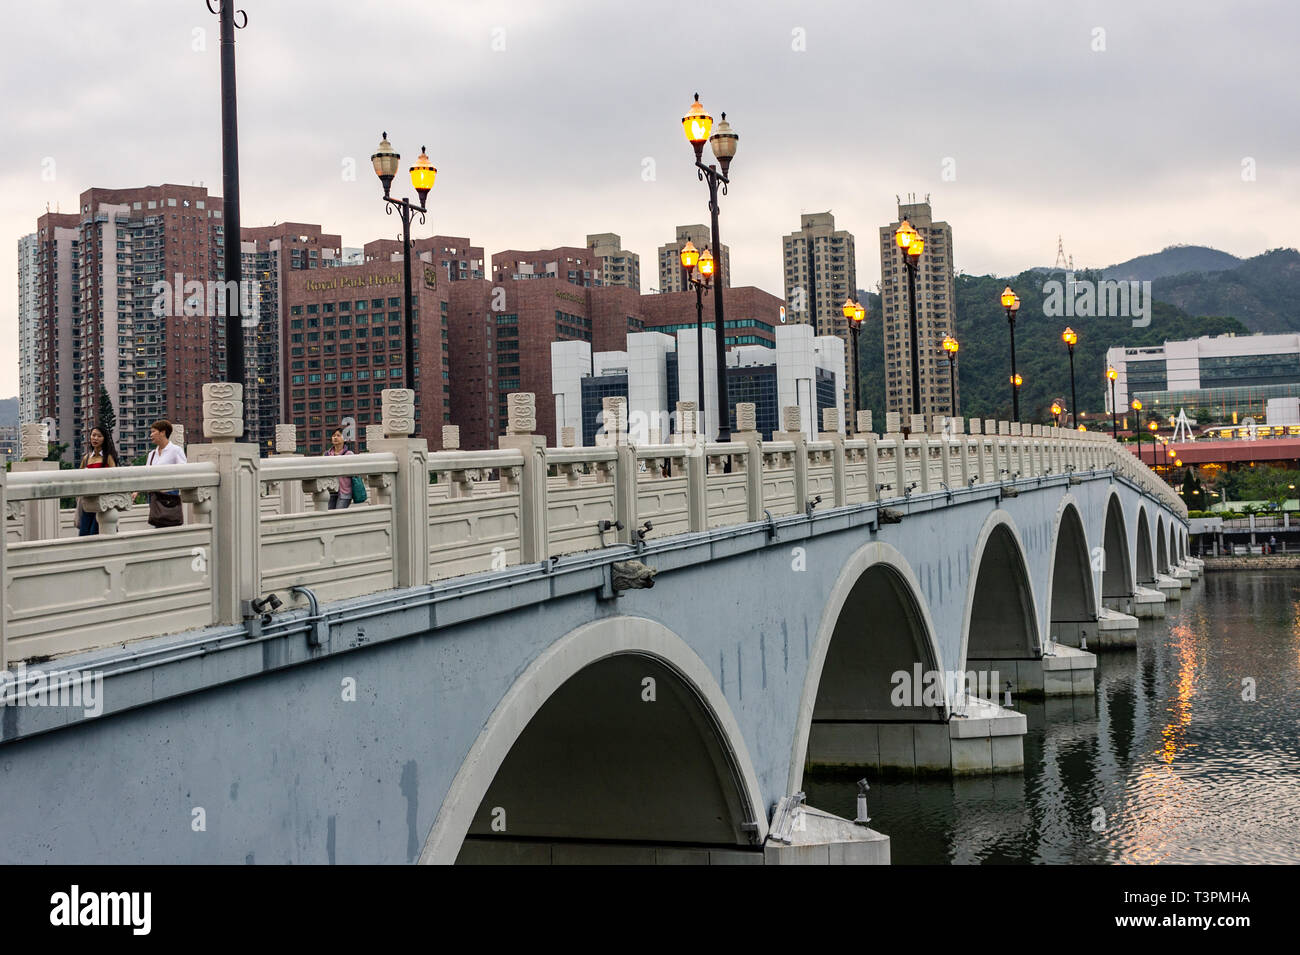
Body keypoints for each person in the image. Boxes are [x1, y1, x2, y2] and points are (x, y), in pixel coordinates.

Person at [76, 425, 119, 536]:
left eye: (99, 436)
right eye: (93, 435)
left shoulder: (108, 457)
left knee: (96, 532)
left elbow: (114, 477)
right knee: (84, 533)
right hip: (88, 501)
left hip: (102, 502)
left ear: (104, 439)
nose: (95, 438)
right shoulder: (86, 458)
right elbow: (78, 477)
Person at [146, 419, 187, 528]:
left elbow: (183, 470)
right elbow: (146, 474)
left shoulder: (175, 450)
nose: (151, 435)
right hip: (154, 495)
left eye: (153, 431)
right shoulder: (152, 454)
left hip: (170, 495)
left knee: (170, 524)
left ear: (163, 432)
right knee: (157, 524)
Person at [325, 428, 354, 509]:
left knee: (339, 515)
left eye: (338, 435)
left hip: (344, 491)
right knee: (329, 515)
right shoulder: (327, 454)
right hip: (330, 490)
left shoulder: (349, 454)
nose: (335, 437)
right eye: (333, 435)